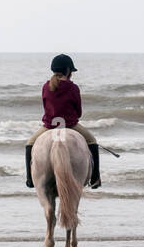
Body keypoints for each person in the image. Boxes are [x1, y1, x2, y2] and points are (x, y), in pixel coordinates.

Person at [25, 54, 101, 189]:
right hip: (70, 125)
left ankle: (30, 179)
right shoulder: (73, 88)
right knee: (92, 142)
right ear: (68, 71)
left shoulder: (46, 87)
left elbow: (45, 106)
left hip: (50, 126)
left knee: (30, 144)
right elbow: (78, 112)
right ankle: (95, 178)